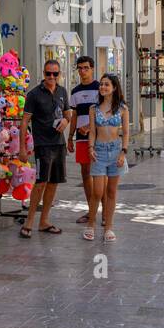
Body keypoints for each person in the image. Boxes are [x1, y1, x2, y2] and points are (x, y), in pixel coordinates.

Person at [18, 59, 72, 238]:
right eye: (48, 73)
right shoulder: (34, 94)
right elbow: (24, 122)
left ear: (59, 74)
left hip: (59, 144)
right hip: (42, 145)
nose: (51, 77)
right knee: (40, 183)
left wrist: (66, 120)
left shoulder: (62, 91)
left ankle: (44, 221)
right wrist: (23, 148)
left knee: (53, 183)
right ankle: (29, 222)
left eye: (55, 74)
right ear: (43, 73)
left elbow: (68, 114)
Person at [85, 72, 130, 242]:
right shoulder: (93, 109)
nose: (103, 87)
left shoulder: (123, 109)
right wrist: (90, 148)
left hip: (116, 152)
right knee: (97, 192)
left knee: (111, 191)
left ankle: (109, 227)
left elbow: (125, 133)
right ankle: (91, 224)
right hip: (99, 152)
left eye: (106, 85)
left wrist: (123, 152)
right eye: (101, 84)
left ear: (114, 88)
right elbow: (92, 133)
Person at [68, 55, 101, 226]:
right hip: (80, 139)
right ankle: (91, 211)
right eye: (80, 68)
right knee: (86, 174)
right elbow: (74, 115)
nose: (82, 71)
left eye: (86, 68)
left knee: (100, 175)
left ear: (92, 68)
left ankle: (104, 212)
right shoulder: (75, 92)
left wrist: (89, 126)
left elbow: (105, 112)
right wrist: (70, 137)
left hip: (98, 138)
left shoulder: (100, 88)